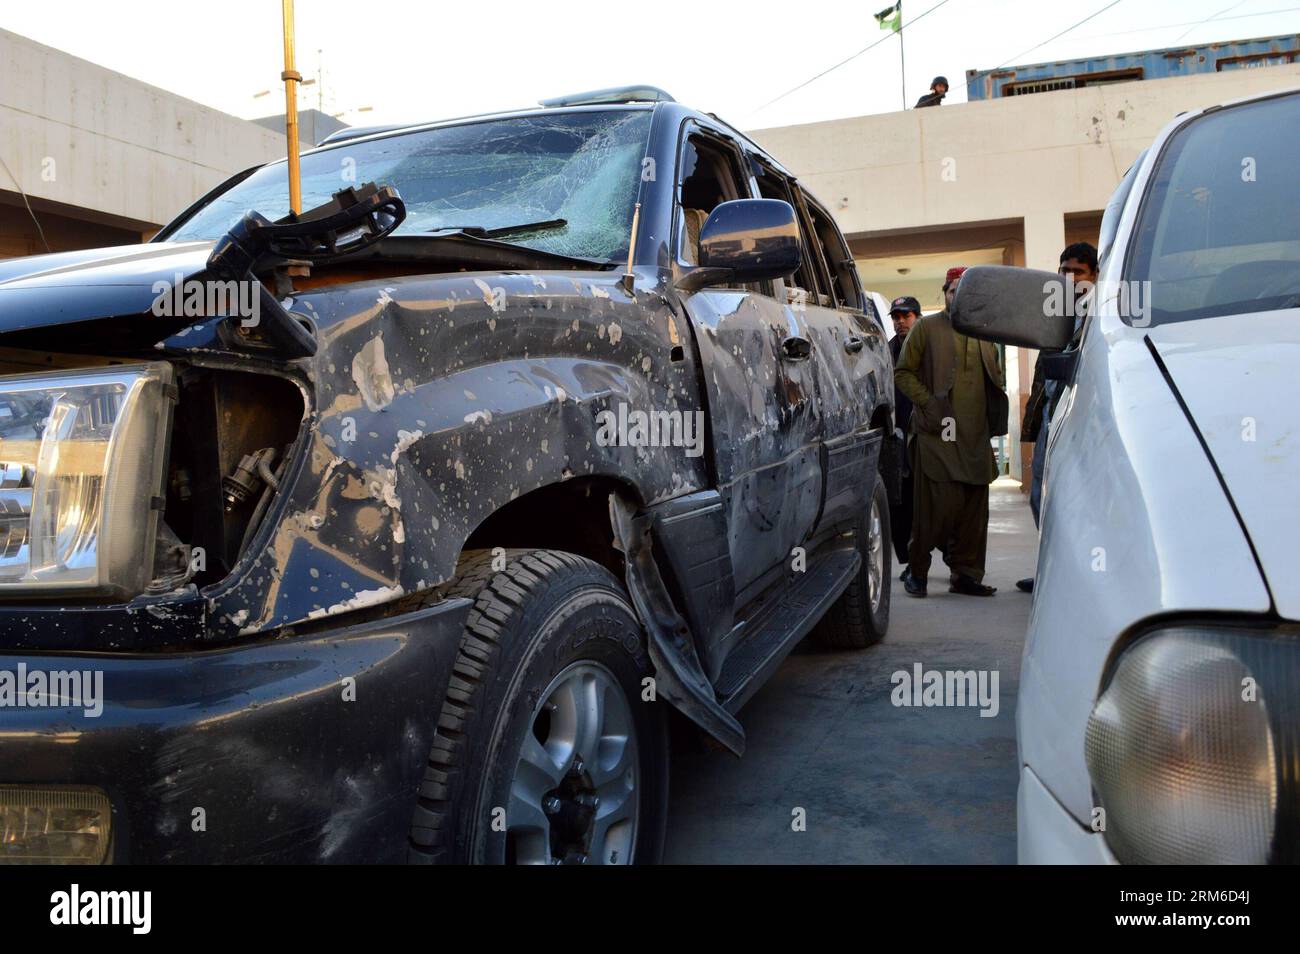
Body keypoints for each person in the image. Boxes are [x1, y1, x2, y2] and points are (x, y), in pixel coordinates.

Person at [894, 267, 1008, 598]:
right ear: (944, 292)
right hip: (937, 435)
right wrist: (927, 404)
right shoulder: (926, 328)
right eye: (952, 290)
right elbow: (903, 372)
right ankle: (917, 572)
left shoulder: (986, 333)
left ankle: (966, 575)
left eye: (964, 290)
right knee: (934, 512)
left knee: (974, 512)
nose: (956, 295)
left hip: (975, 436)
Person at [1016, 241, 1098, 593]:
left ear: (1095, 274)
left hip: (1082, 418)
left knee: (1079, 501)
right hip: (1052, 414)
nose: (1069, 278)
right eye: (1064, 271)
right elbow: (1043, 373)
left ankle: (1080, 578)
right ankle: (1052, 571)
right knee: (1041, 497)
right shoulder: (1060, 313)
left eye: (1077, 271)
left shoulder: (1105, 313)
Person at [887, 296, 921, 573]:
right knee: (901, 501)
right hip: (897, 438)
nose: (900, 321)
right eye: (896, 317)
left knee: (932, 500)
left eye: (905, 316)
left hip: (928, 435)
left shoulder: (930, 348)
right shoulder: (886, 351)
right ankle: (909, 560)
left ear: (917, 317)